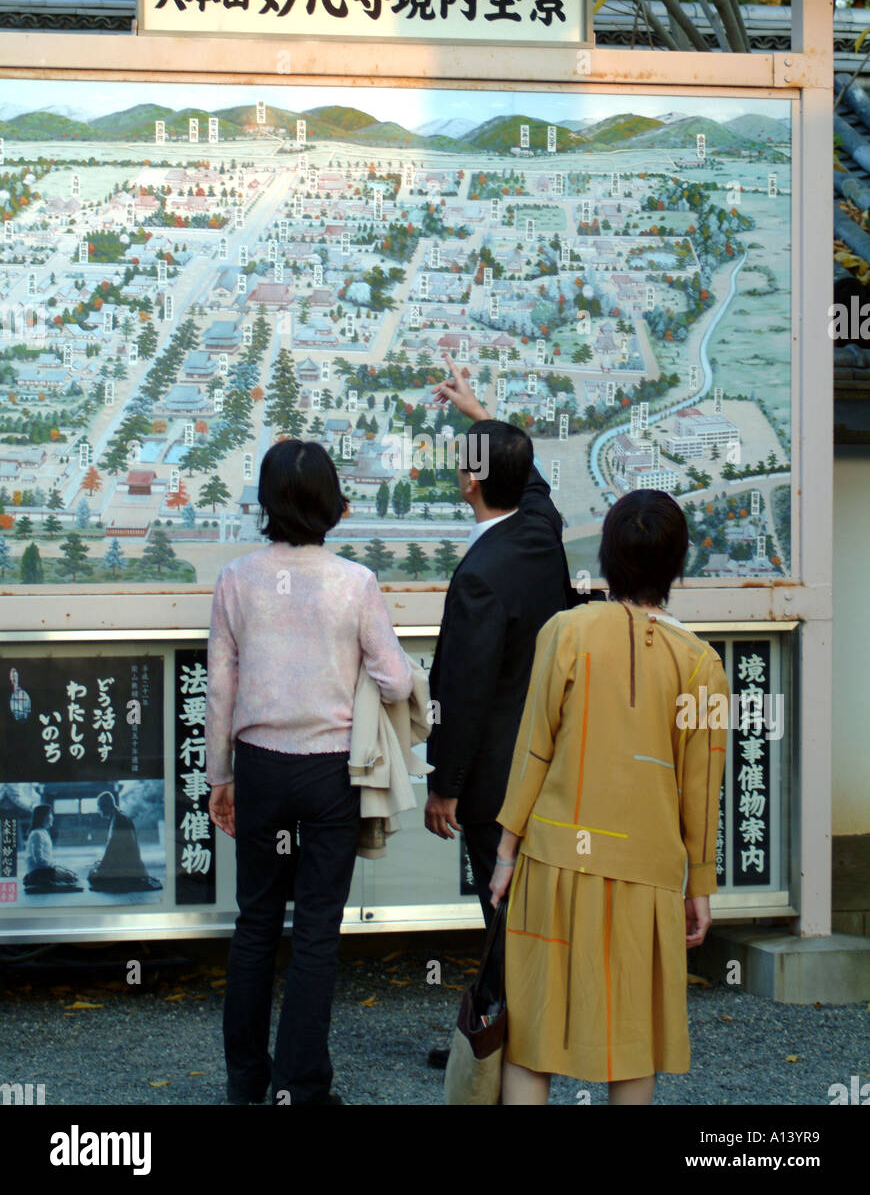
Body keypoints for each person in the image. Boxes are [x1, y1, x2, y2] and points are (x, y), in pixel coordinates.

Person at [490, 489, 730, 1106]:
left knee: (531, 1037)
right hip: (647, 872)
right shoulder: (702, 664)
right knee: (635, 1040)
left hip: (553, 855)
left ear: (606, 556)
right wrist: (699, 885)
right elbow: (701, 789)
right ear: (677, 566)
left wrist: (506, 851)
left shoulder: (565, 631)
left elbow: (533, 748)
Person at [205, 439, 412, 1106]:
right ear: (335, 506)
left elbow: (219, 687)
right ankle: (302, 1086)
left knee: (257, 921)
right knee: (318, 928)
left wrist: (218, 777)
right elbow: (395, 677)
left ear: (264, 505)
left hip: (261, 768)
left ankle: (245, 1082)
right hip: (331, 773)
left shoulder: (237, 579)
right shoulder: (355, 583)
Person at [424, 358, 578, 930]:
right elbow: (527, 480)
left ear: (470, 481)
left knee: (504, 915)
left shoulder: (479, 575)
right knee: (536, 912)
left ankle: (513, 1016)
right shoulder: (540, 531)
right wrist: (482, 416)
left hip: (494, 782)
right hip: (548, 762)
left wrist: (445, 787)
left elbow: (466, 691)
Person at [87, 791, 162, 893]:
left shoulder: (118, 820)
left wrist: (101, 868)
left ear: (105, 806)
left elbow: (111, 849)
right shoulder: (121, 816)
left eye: (99, 807)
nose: (99, 811)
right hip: (132, 865)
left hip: (126, 868)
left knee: (93, 878)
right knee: (95, 873)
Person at [22, 803, 82, 893]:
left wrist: (57, 866)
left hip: (43, 870)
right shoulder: (36, 834)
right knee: (71, 877)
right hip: (38, 873)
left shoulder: (42, 832)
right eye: (50, 814)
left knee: (72, 875)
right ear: (43, 817)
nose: (52, 817)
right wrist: (55, 867)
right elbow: (39, 859)